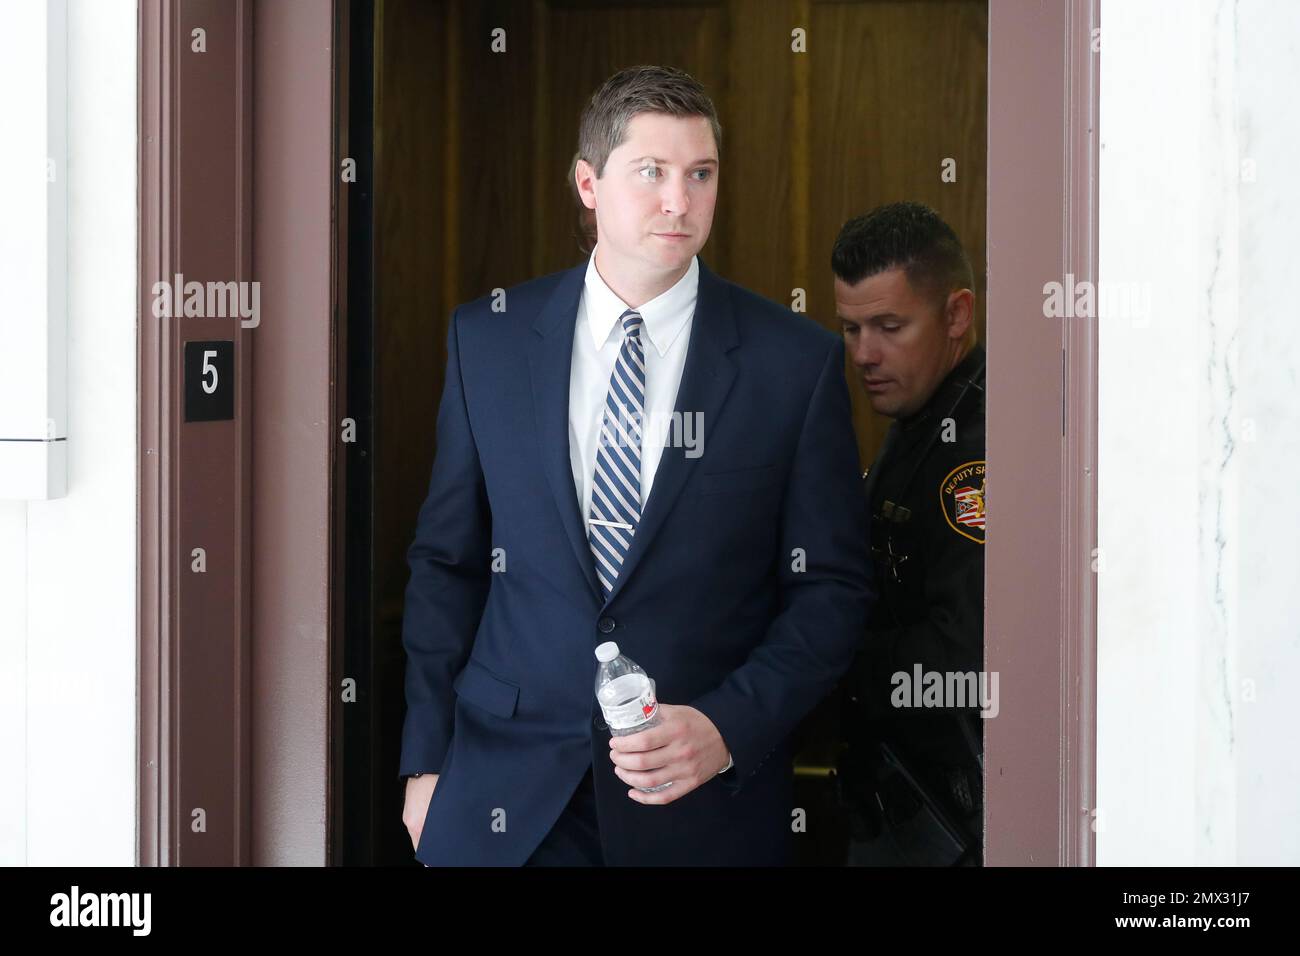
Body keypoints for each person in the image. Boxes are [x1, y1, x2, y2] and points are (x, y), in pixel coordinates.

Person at [399, 65, 873, 866]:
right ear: (588, 183)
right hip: (497, 800)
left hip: (699, 810)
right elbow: (447, 564)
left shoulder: (794, 364)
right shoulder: (488, 341)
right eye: (651, 172)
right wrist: (426, 764)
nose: (679, 201)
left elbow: (832, 590)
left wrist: (728, 728)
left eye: (700, 174)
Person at [830, 202, 986, 866]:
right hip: (897, 801)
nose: (865, 354)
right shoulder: (923, 414)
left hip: (951, 816)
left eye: (890, 327)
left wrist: (828, 658)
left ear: (956, 315)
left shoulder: (974, 452)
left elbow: (966, 659)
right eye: (851, 328)